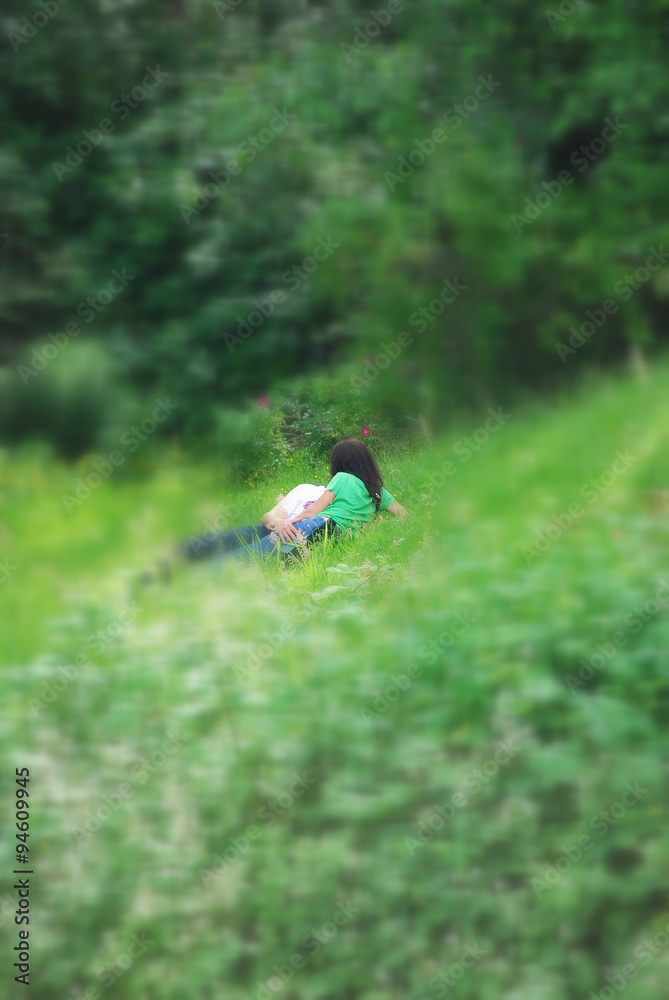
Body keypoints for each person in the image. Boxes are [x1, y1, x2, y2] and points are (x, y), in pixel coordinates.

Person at [182, 437, 408, 563]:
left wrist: (296, 520)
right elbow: (404, 516)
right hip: (311, 531)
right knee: (241, 547)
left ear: (339, 465)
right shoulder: (377, 492)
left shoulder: (342, 480)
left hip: (316, 526)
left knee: (246, 558)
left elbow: (315, 512)